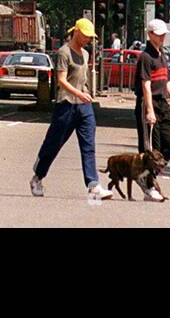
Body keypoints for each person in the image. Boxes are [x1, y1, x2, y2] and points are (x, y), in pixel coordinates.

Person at [30, 18, 112, 201]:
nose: (88, 40)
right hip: (66, 105)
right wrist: (78, 94)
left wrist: (86, 94)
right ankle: (37, 177)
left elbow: (83, 79)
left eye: (90, 37)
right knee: (53, 144)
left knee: (88, 145)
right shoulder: (63, 52)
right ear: (76, 32)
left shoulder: (85, 54)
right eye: (85, 36)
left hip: (84, 107)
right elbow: (61, 80)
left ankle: (93, 185)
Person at [135, 19, 170, 196]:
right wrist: (149, 110)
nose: (162, 37)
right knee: (152, 149)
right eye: (159, 34)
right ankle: (149, 186)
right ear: (150, 35)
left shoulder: (162, 54)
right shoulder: (145, 57)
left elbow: (166, 82)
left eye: (163, 34)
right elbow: (146, 86)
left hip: (163, 104)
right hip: (149, 103)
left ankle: (145, 175)